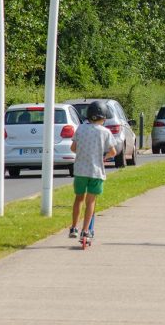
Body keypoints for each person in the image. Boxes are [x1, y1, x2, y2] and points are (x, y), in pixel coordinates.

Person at [69, 100, 116, 244]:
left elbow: (73, 148)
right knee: (91, 202)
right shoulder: (105, 132)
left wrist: (83, 152)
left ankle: (74, 228)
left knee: (79, 199)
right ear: (103, 117)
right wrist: (103, 157)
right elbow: (113, 151)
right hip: (96, 171)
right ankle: (85, 231)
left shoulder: (80, 129)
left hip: (80, 170)